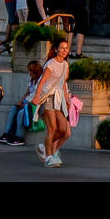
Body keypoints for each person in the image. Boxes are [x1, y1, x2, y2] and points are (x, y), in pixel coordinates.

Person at [33, 39, 73, 167]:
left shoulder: (65, 65)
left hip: (58, 99)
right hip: (47, 97)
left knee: (63, 129)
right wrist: (36, 96)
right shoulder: (51, 64)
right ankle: (48, 157)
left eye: (66, 48)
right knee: (52, 128)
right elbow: (42, 82)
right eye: (62, 48)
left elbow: (63, 84)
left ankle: (45, 147)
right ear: (56, 49)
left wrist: (66, 100)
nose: (64, 50)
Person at [0, 60, 44, 146]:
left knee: (21, 114)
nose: (29, 73)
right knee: (14, 109)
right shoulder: (32, 81)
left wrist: (26, 104)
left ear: (35, 71)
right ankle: (7, 134)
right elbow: (27, 93)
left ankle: (19, 137)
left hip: (34, 105)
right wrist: (20, 102)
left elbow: (38, 97)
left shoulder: (41, 81)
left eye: (30, 71)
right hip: (27, 103)